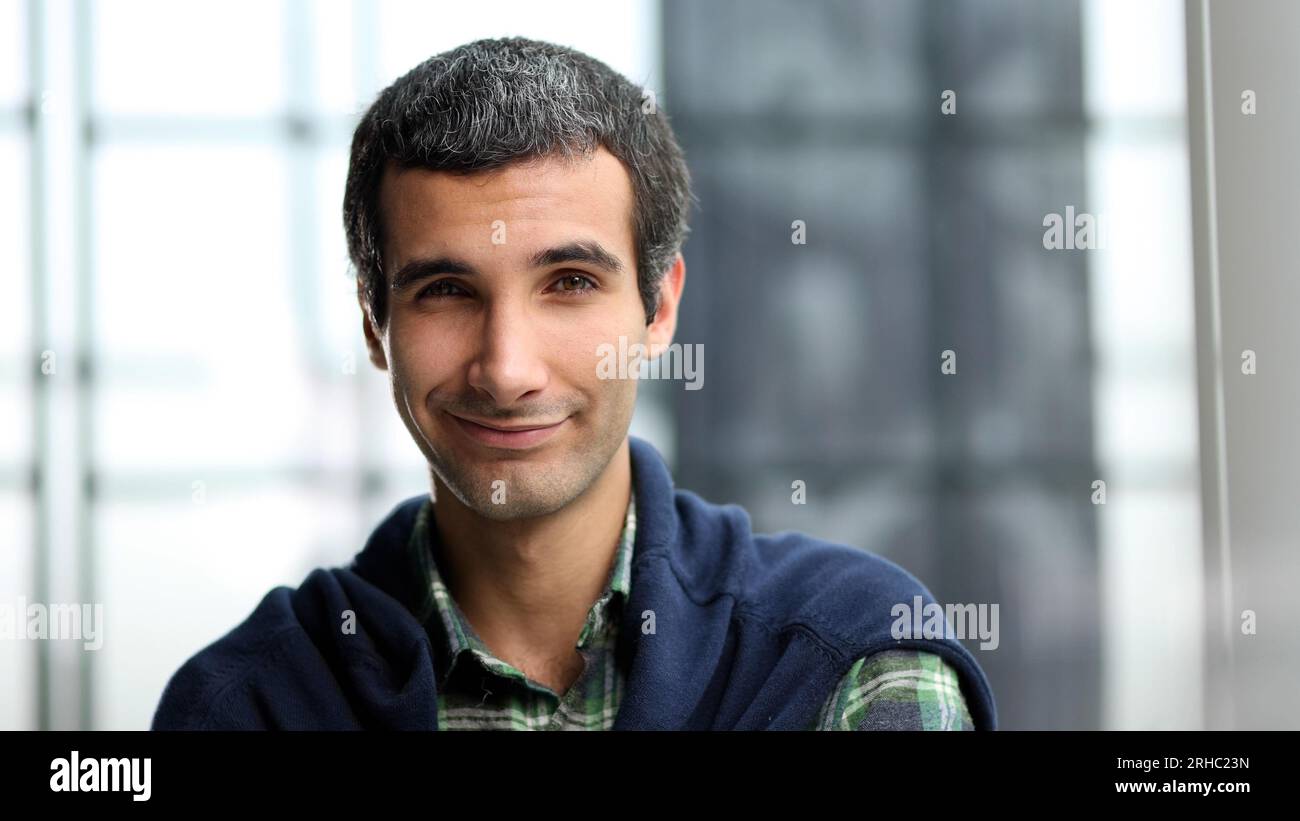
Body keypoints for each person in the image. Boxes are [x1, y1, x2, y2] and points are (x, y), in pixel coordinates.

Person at [152, 36, 996, 731]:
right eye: (445, 290)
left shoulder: (853, 661)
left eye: (568, 283)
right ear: (376, 324)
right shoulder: (246, 705)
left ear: (658, 308)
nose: (508, 370)